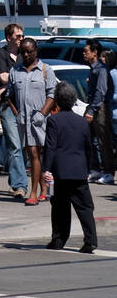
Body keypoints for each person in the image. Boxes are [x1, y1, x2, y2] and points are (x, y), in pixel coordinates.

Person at [43, 81, 97, 253]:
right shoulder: (82, 122)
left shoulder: (53, 121)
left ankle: (59, 239)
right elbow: (88, 148)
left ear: (57, 101)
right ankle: (91, 240)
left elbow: (50, 147)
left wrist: (46, 169)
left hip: (61, 172)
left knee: (60, 207)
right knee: (85, 208)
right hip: (79, 171)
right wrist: (88, 169)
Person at [6, 38, 56, 205]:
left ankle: (34, 192)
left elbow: (52, 94)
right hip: (23, 121)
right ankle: (41, 187)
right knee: (32, 154)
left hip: (40, 121)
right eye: (23, 52)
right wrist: (16, 112)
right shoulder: (15, 71)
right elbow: (9, 95)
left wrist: (42, 113)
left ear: (36, 51)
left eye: (30, 51)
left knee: (37, 153)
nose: (27, 55)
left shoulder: (45, 70)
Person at [0, 23, 27, 201]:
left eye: (22, 36)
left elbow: (10, 78)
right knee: (14, 144)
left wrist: (11, 80)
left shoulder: (25, 54)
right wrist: (22, 76)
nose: (21, 39)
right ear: (9, 38)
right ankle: (20, 185)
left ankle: (15, 176)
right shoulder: (1, 54)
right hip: (8, 105)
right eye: (18, 36)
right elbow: (2, 77)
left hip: (25, 105)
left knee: (25, 146)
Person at [83, 40, 115, 184]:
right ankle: (95, 169)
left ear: (95, 52)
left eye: (86, 51)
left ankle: (108, 172)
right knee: (88, 139)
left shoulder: (101, 69)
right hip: (93, 106)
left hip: (99, 108)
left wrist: (91, 110)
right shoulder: (93, 68)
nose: (84, 54)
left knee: (104, 141)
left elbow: (101, 91)